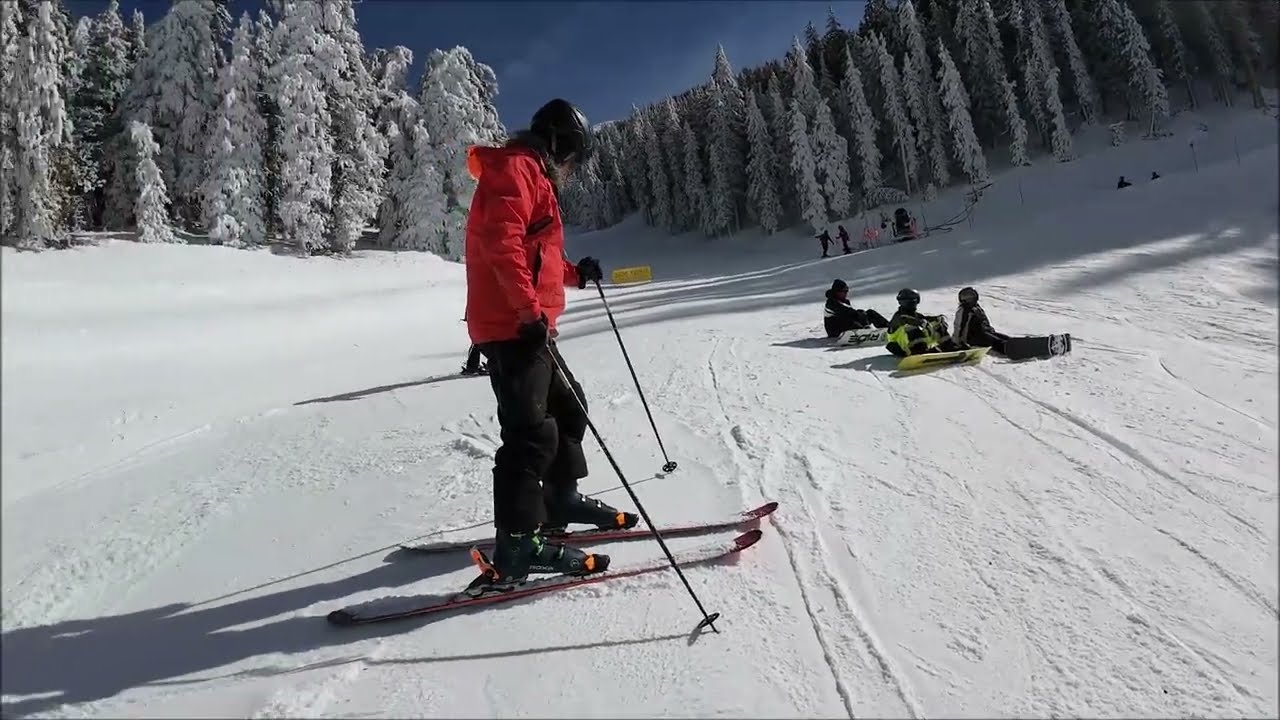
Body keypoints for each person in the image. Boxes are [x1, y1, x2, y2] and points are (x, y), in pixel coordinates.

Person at [463, 98, 637, 591]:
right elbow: (502, 244)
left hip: (527, 323)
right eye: (573, 154)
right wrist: (526, 312)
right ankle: (517, 547)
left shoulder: (533, 175)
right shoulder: (515, 169)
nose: (573, 165)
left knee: (569, 407)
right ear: (558, 141)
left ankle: (559, 499)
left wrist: (576, 274)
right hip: (511, 326)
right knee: (529, 435)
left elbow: (536, 254)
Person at [885, 288, 963, 358]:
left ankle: (948, 345)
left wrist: (936, 319)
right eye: (906, 301)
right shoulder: (897, 317)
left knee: (936, 323)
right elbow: (905, 319)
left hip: (920, 345)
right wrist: (920, 322)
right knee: (911, 327)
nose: (910, 303)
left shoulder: (916, 315)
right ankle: (919, 350)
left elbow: (924, 319)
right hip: (904, 347)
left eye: (913, 300)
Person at [952, 286, 1010, 354]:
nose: (970, 299)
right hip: (973, 337)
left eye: (971, 296)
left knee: (1005, 338)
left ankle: (1016, 344)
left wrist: (991, 330)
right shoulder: (963, 310)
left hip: (985, 333)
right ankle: (1011, 349)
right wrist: (955, 343)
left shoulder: (976, 307)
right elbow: (958, 326)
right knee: (997, 342)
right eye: (967, 297)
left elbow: (984, 321)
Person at [824, 279, 889, 338]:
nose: (846, 293)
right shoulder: (831, 303)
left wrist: (862, 314)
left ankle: (889, 327)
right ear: (837, 292)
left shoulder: (844, 301)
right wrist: (860, 317)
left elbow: (851, 313)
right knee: (853, 320)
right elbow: (845, 313)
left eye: (847, 291)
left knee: (870, 313)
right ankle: (865, 332)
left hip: (845, 324)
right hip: (834, 330)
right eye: (844, 291)